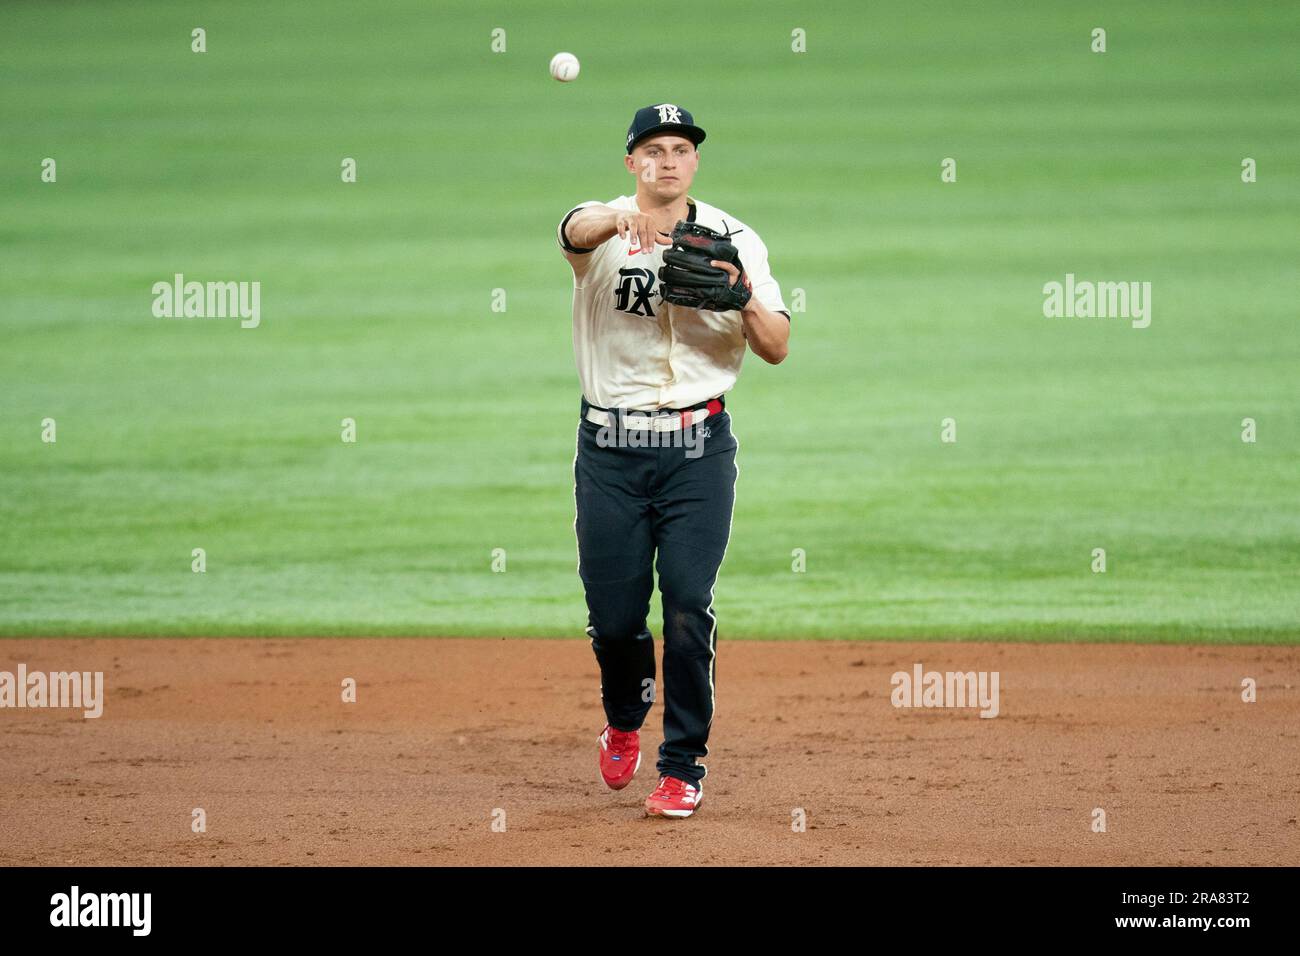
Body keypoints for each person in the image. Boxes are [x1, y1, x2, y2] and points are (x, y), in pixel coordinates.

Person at [557, 104, 790, 818]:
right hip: (611, 454)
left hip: (698, 452)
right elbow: (572, 228)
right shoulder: (602, 230)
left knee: (688, 603)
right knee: (616, 617)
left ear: (695, 162)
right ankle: (625, 717)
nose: (667, 160)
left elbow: (777, 345)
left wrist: (743, 295)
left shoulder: (736, 239)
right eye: (653, 149)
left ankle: (682, 766)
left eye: (680, 149)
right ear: (632, 162)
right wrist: (614, 221)